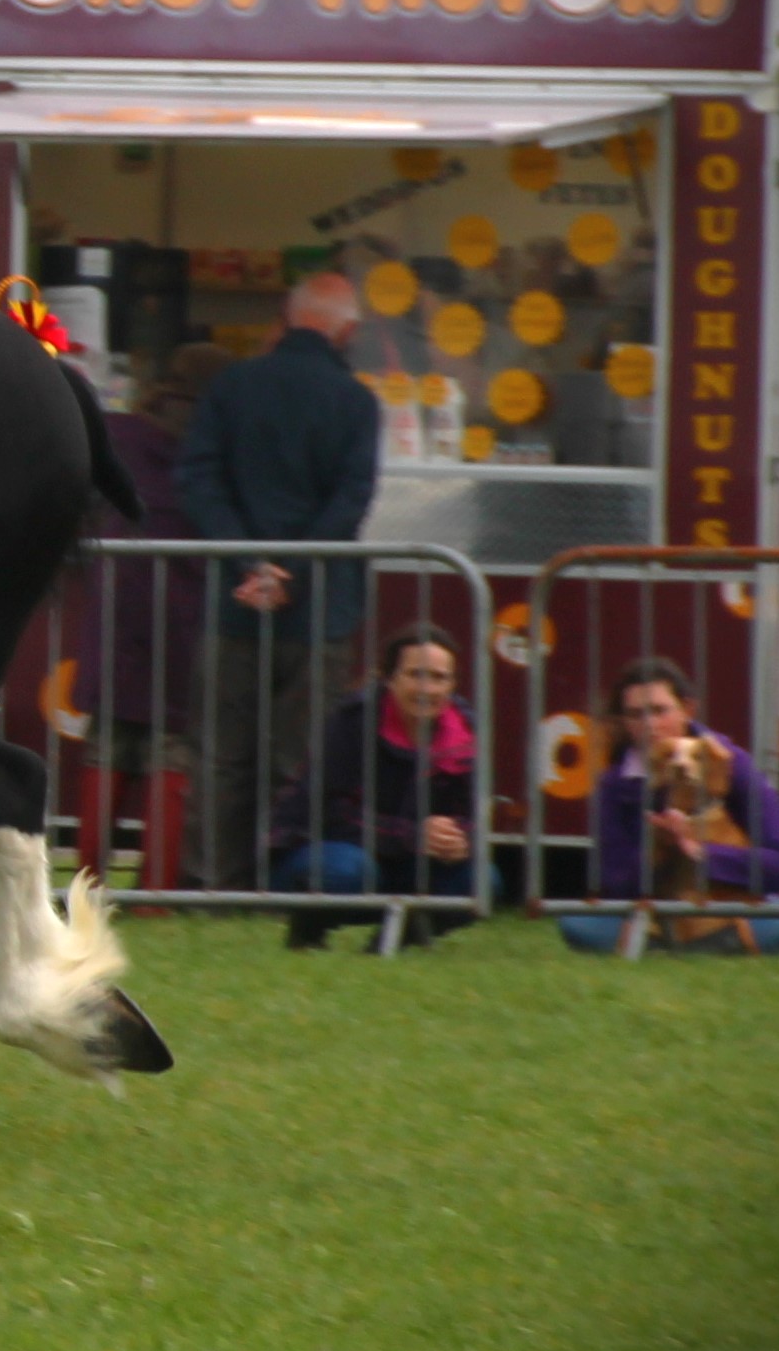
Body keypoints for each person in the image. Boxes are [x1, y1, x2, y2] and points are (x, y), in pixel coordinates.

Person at [175, 272, 381, 889]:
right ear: (346, 329)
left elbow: (198, 479)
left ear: (288, 319)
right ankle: (287, 881)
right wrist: (291, 568)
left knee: (220, 756)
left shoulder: (231, 387)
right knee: (301, 761)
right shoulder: (356, 401)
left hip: (234, 607)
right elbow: (351, 500)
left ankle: (211, 884)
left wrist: (249, 564)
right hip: (320, 611)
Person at [74, 341, 233, 891]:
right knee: (173, 746)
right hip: (187, 616)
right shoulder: (217, 448)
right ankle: (156, 889)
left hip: (116, 608)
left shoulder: (119, 434)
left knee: (108, 744)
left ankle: (90, 883)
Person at [557, 658, 779, 956]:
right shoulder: (615, 783)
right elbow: (612, 881)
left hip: (726, 906)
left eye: (659, 711)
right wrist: (659, 851)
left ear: (687, 710)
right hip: (653, 910)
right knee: (576, 922)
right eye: (635, 714)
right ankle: (700, 945)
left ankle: (670, 946)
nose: (649, 725)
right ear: (624, 722)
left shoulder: (731, 763)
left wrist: (699, 853)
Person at [268, 623, 489, 950]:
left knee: (483, 879)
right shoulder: (353, 722)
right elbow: (325, 814)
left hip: (411, 858)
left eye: (439, 678)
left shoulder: (467, 731)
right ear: (389, 677)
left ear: (453, 685)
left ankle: (399, 940)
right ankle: (307, 928)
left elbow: (476, 812)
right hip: (325, 852)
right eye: (415, 674)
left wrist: (460, 838)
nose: (427, 688)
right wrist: (411, 835)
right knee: (349, 871)